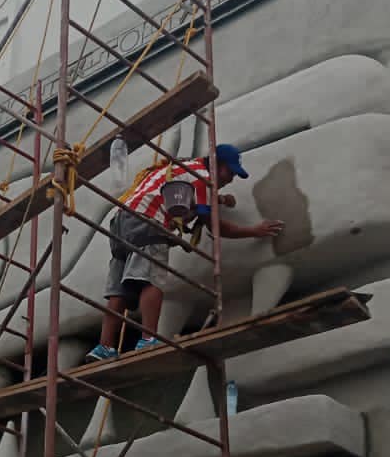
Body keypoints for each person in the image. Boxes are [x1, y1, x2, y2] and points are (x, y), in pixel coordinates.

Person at [87, 143, 284, 362]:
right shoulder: (201, 177)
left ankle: (104, 347)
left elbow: (185, 198)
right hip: (148, 220)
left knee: (118, 291)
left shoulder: (187, 168)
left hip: (120, 222)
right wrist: (254, 231)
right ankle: (148, 340)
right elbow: (214, 225)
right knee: (152, 279)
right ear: (217, 165)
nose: (231, 179)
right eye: (230, 172)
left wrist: (220, 199)